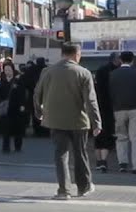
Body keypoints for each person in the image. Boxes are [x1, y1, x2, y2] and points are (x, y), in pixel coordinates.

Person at [34, 42, 103, 199]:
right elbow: (90, 100)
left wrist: (38, 112)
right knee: (81, 153)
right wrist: (96, 122)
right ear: (77, 54)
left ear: (62, 54)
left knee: (61, 155)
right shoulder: (84, 73)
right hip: (79, 120)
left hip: (55, 120)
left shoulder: (48, 71)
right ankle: (83, 186)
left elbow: (37, 93)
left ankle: (64, 190)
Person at [108, 51, 136, 173]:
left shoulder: (113, 74)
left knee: (120, 137)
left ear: (120, 60)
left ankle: (122, 163)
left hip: (118, 108)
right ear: (132, 60)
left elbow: (110, 92)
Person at [0, 62, 30, 153]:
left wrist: (22, 105)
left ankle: (18, 146)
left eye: (9, 69)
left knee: (18, 128)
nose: (7, 72)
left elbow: (22, 94)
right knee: (6, 129)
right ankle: (6, 147)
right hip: (6, 109)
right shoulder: (3, 81)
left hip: (17, 108)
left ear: (13, 70)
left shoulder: (18, 80)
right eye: (5, 70)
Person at [93, 52, 121, 173]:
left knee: (97, 135)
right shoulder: (116, 72)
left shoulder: (100, 70)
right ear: (116, 60)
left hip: (97, 106)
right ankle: (103, 161)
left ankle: (99, 161)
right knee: (107, 134)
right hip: (110, 107)